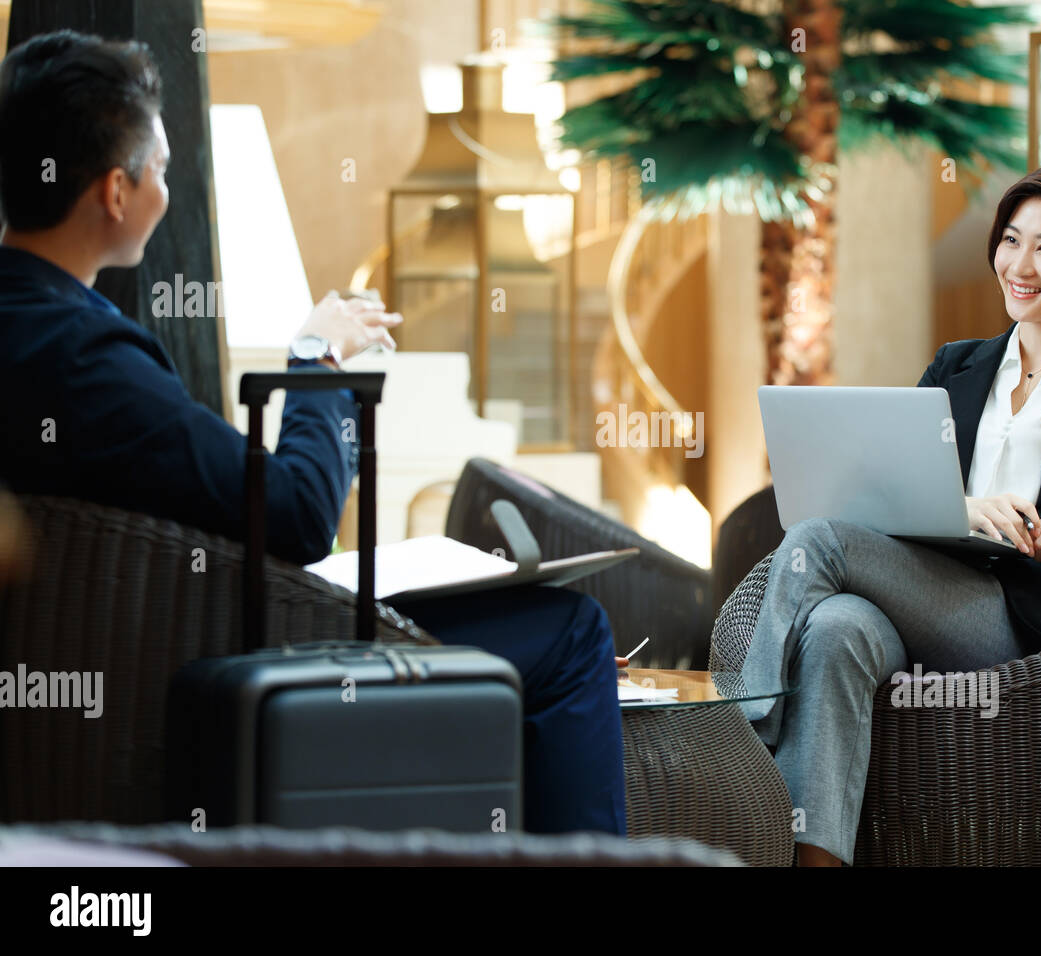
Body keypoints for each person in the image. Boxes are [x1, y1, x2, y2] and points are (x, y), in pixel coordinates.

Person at [0, 30, 624, 837]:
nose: (169, 188)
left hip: (125, 656)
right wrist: (316, 358)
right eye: (162, 169)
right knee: (571, 630)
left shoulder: (35, 326)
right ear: (118, 192)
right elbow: (295, 516)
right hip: (227, 652)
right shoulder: (86, 357)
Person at [741, 162, 1041, 866]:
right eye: (1011, 241)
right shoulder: (957, 366)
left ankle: (741, 726)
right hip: (921, 590)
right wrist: (968, 509)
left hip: (1023, 620)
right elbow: (889, 490)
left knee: (818, 539)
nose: (1020, 265)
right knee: (834, 630)